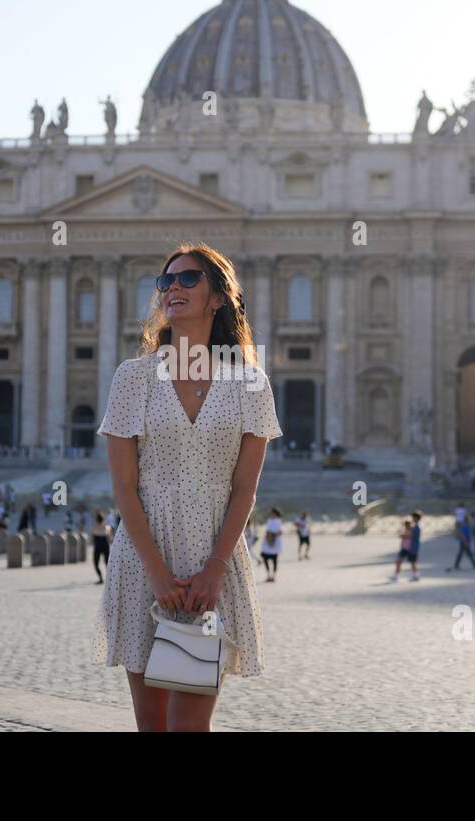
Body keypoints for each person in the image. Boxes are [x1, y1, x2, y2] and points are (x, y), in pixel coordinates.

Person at [92, 242, 281, 732]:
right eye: (165, 281)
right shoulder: (132, 378)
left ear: (217, 296)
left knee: (189, 728)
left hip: (211, 563)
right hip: (143, 562)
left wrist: (215, 569)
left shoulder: (251, 384)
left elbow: (244, 489)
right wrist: (156, 573)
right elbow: (125, 487)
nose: (172, 287)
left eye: (188, 278)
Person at [391, 510, 423, 582]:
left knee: (412, 562)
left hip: (411, 548)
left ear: (417, 518)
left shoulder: (417, 527)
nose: (412, 518)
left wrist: (403, 535)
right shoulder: (413, 526)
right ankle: (396, 575)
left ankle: (416, 575)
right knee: (400, 561)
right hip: (406, 547)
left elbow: (411, 536)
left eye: (413, 517)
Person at [90, 509, 113, 584]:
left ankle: (100, 578)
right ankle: (110, 579)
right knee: (107, 563)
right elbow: (110, 539)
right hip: (105, 545)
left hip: (97, 546)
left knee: (96, 563)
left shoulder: (94, 527)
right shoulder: (107, 527)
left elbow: (91, 538)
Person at [261, 508, 284, 582]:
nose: (270, 514)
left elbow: (280, 532)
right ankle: (268, 575)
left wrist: (273, 536)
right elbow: (267, 531)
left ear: (275, 513)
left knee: (274, 560)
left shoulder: (279, 521)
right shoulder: (269, 520)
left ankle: (273, 576)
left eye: (271, 513)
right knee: (265, 558)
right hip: (267, 542)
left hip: (275, 542)